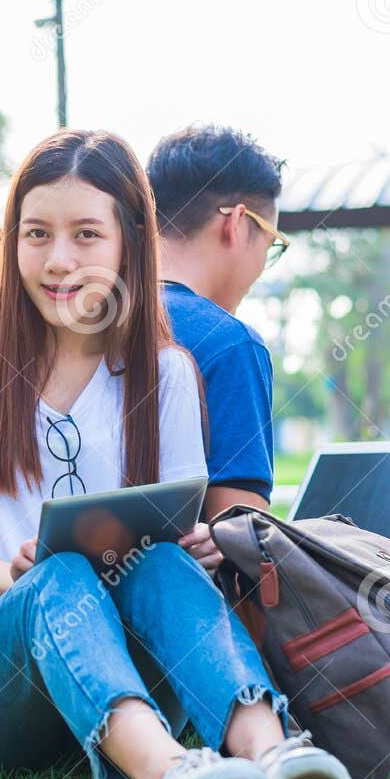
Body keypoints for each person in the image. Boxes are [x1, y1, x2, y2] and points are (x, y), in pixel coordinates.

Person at [0, 129, 354, 779]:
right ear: (11, 242)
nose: (58, 261)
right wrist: (17, 580)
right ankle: (168, 776)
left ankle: (273, 756)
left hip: (111, 665)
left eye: (85, 235)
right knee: (58, 574)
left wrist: (201, 546)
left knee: (163, 562)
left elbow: (162, 540)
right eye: (36, 234)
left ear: (128, 242)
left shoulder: (166, 373)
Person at [147, 125, 285, 529]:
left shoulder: (84, 321)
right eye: (272, 243)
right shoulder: (229, 345)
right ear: (238, 224)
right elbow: (240, 538)